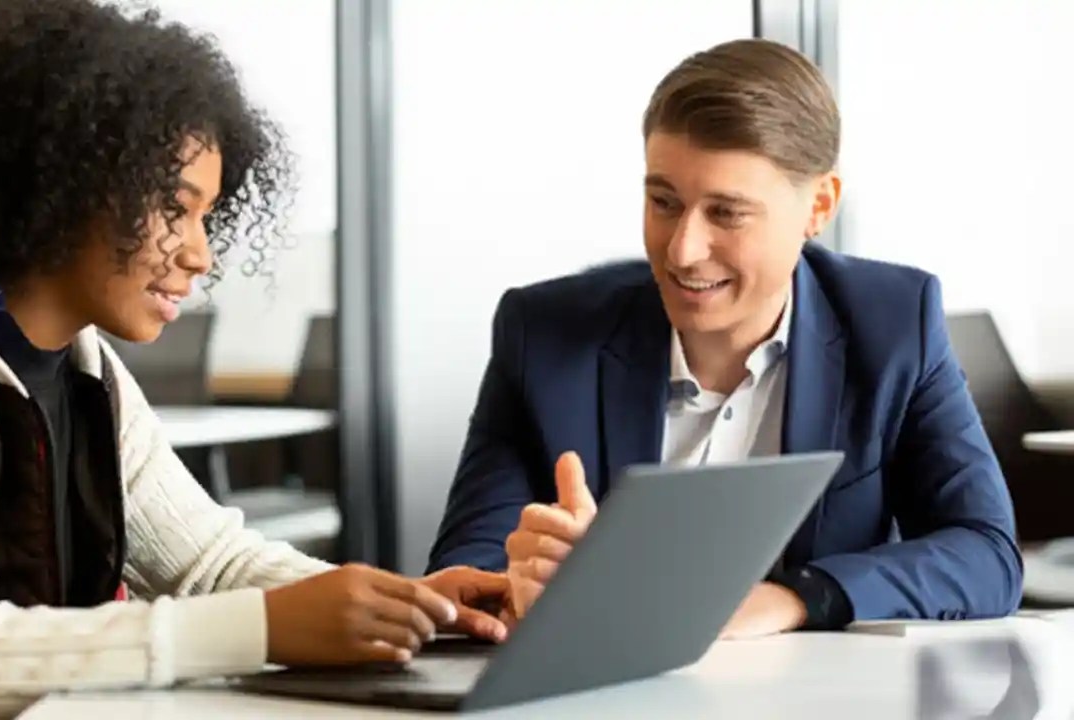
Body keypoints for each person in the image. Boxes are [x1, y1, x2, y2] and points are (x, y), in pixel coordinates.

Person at [0, 2, 506, 718]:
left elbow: (207, 566)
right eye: (174, 207)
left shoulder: (81, 370)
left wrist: (410, 608)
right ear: (58, 182)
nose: (200, 255)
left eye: (206, 215)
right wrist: (260, 628)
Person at [426, 38, 1022, 637]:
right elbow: (464, 573)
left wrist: (793, 599)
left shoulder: (894, 324)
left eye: (727, 213)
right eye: (664, 201)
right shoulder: (543, 336)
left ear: (818, 206)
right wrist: (526, 585)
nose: (682, 251)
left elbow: (984, 553)